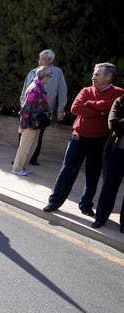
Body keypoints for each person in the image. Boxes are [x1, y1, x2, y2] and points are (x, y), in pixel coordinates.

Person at [43, 63, 124, 217]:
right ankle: (54, 202)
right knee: (67, 171)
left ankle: (86, 205)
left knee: (92, 175)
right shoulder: (86, 90)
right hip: (78, 138)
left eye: (97, 74)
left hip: (100, 141)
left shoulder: (119, 93)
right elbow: (75, 108)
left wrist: (91, 105)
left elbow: (110, 109)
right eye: (94, 74)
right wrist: (100, 111)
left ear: (108, 77)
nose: (93, 77)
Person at [20, 49, 67, 165]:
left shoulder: (57, 73)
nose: (42, 61)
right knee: (23, 135)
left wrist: (61, 109)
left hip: (43, 111)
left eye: (45, 59)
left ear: (51, 60)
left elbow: (62, 91)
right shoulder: (32, 72)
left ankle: (33, 159)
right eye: (41, 58)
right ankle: (20, 159)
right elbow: (24, 90)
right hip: (28, 110)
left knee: (38, 136)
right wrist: (23, 105)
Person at [92, 94, 124, 232]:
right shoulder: (120, 102)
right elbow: (113, 124)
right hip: (115, 153)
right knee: (109, 186)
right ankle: (100, 218)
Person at [12, 66, 51, 175]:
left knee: (31, 146)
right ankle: (17, 168)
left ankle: (23, 167)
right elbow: (25, 108)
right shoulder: (35, 88)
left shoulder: (40, 86)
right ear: (45, 76)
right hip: (30, 123)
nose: (49, 78)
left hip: (36, 122)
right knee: (25, 146)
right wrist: (23, 125)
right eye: (49, 76)